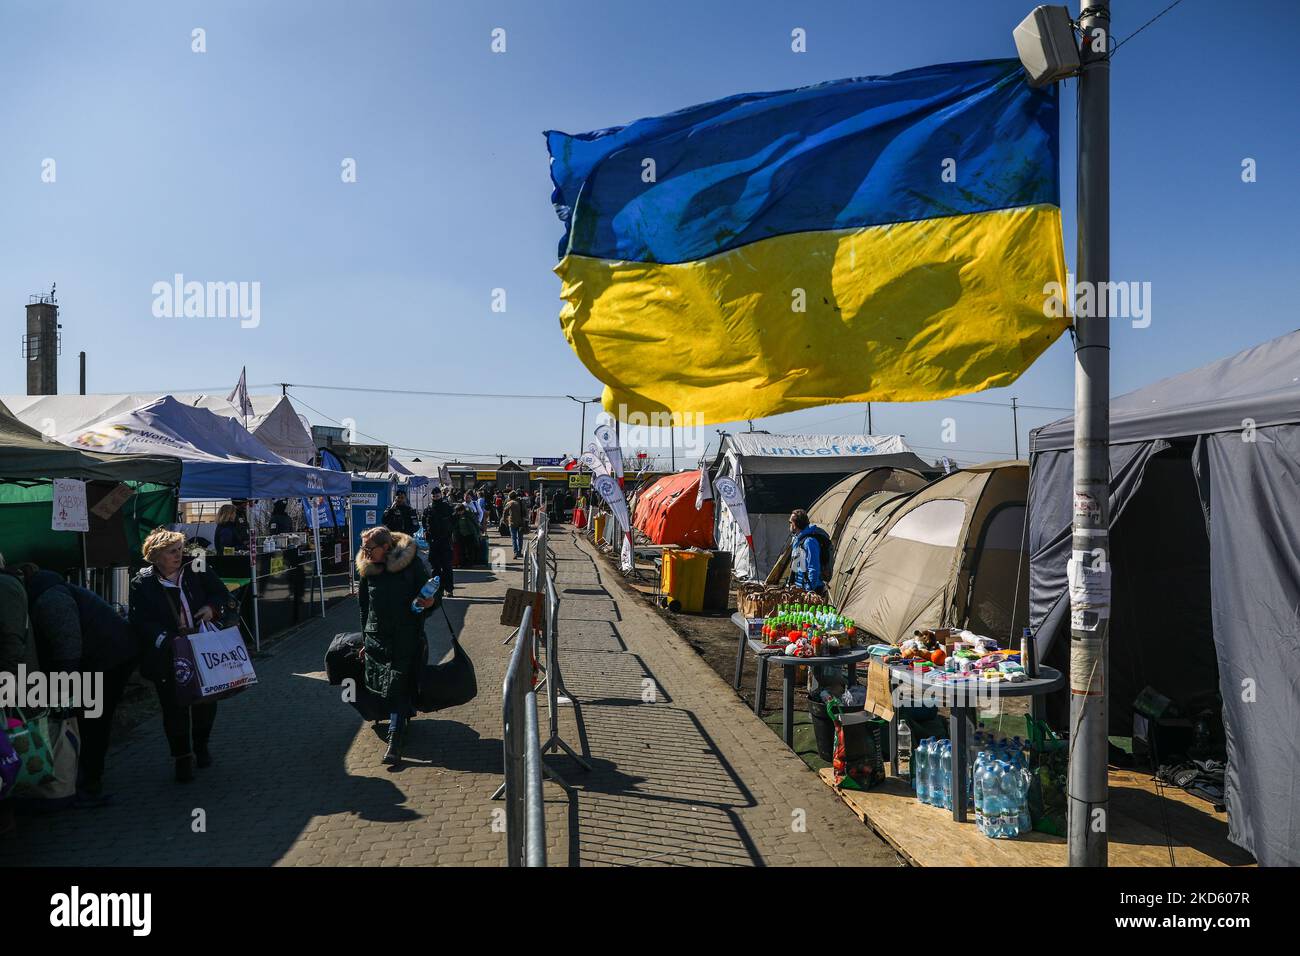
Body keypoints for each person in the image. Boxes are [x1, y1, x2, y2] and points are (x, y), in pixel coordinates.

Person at [20, 567, 138, 806]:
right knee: (91, 719)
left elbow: (68, 643)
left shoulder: (49, 598)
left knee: (93, 719)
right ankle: (84, 776)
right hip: (108, 654)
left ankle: (88, 781)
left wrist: (66, 687)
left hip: (107, 658)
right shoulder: (48, 590)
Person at [129, 529, 229, 782]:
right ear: (156, 555)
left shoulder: (197, 568)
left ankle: (201, 745)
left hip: (201, 645)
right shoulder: (143, 582)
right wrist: (165, 638)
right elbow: (140, 620)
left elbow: (221, 594)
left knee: (206, 701)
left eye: (180, 550)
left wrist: (211, 608)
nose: (178, 555)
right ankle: (182, 757)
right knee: (174, 707)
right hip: (168, 653)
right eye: (172, 551)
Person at [356, 526, 440, 765]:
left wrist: (430, 602)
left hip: (406, 636)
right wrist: (365, 638)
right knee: (385, 686)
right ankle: (398, 720)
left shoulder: (410, 566)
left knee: (399, 684)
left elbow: (432, 596)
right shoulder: (367, 570)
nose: (365, 552)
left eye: (369, 548)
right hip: (376, 637)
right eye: (363, 547)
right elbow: (364, 607)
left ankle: (395, 738)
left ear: (386, 547)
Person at [0, 553, 39, 837]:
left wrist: (8, 681)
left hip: (9, 680)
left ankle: (9, 813)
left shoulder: (5, 587)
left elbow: (12, 638)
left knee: (8, 746)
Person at [788, 509, 833, 597]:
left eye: (790, 522)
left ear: (795, 524)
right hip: (800, 587)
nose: (789, 524)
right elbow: (797, 565)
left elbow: (814, 568)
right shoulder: (798, 539)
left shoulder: (809, 542)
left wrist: (809, 591)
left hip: (811, 590)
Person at [420, 487, 456, 596]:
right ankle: (436, 590)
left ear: (441, 495)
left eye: (438, 496)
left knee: (447, 566)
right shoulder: (429, 509)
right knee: (435, 567)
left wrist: (451, 533)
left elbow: (454, 521)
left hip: (445, 541)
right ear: (431, 496)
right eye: (434, 496)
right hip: (433, 541)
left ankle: (448, 589)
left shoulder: (447, 507)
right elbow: (424, 522)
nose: (436, 498)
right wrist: (426, 531)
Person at [503, 491, 527, 559]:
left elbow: (505, 513)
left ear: (510, 497)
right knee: (520, 537)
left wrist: (505, 521)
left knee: (514, 538)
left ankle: (515, 552)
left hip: (512, 522)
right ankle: (519, 552)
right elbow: (525, 512)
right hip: (521, 523)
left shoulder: (510, 503)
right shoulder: (521, 502)